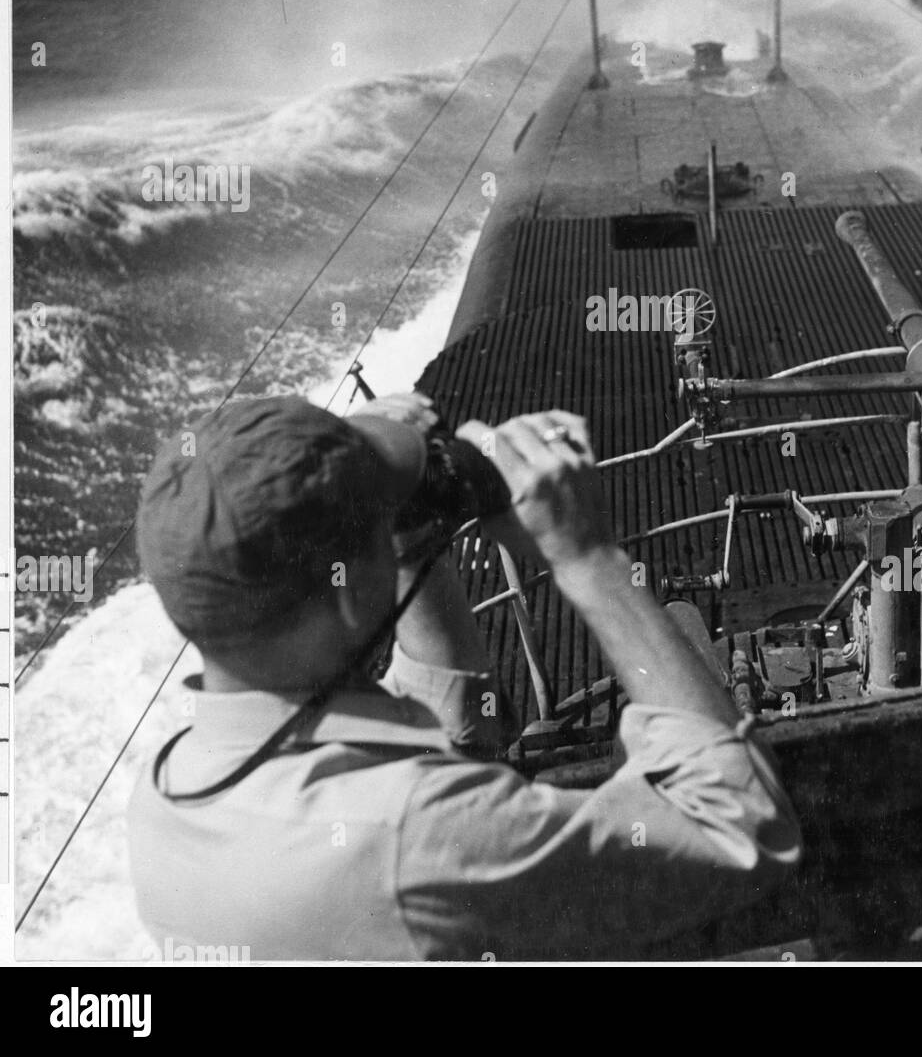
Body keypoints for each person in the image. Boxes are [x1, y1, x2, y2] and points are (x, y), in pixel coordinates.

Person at [128, 392, 802, 961]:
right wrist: (585, 557)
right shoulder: (415, 834)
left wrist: (407, 538)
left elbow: (448, 746)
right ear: (342, 594)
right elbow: (739, 827)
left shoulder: (166, 791)